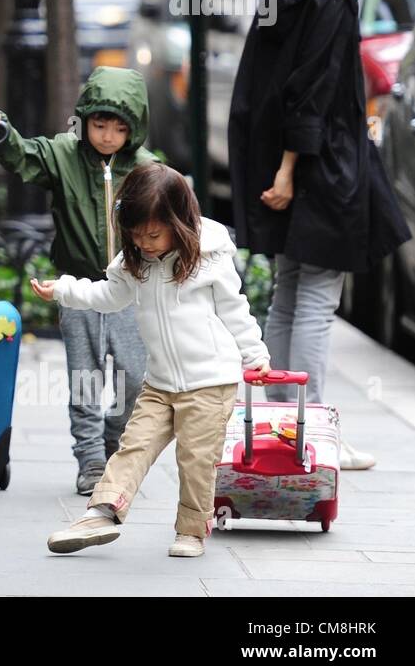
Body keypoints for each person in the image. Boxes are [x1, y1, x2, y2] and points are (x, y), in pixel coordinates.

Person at [228, 0, 410, 471]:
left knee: (288, 291)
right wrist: (289, 170)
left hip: (290, 156)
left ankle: (280, 428)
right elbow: (311, 87)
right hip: (318, 162)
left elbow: (267, 82)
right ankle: (306, 434)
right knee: (314, 299)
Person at [34, 163, 271, 558]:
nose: (144, 242)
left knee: (195, 460)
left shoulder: (209, 260)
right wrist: (64, 290)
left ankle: (192, 530)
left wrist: (256, 355)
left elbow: (236, 311)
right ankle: (102, 510)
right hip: (159, 383)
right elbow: (109, 296)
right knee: (134, 445)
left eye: (154, 234)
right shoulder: (134, 262)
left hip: (210, 383)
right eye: (136, 234)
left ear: (178, 222)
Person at [0, 66, 155, 495]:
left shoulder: (146, 169)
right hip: (78, 286)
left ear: (135, 129)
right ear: (84, 120)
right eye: (99, 125)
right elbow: (25, 155)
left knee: (134, 377)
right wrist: (2, 131)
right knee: (86, 377)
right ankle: (91, 460)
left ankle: (115, 445)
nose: (108, 136)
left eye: (120, 128)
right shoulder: (63, 154)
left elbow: (172, 220)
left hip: (131, 289)